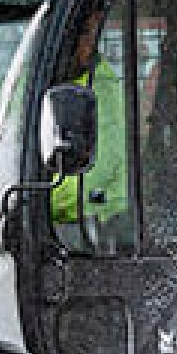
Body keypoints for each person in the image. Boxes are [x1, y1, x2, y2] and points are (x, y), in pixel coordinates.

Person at [51, 12, 129, 237]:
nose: (87, 44)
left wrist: (28, 199)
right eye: (83, 35)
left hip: (94, 224)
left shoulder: (100, 91)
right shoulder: (18, 87)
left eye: (87, 35)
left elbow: (91, 174)